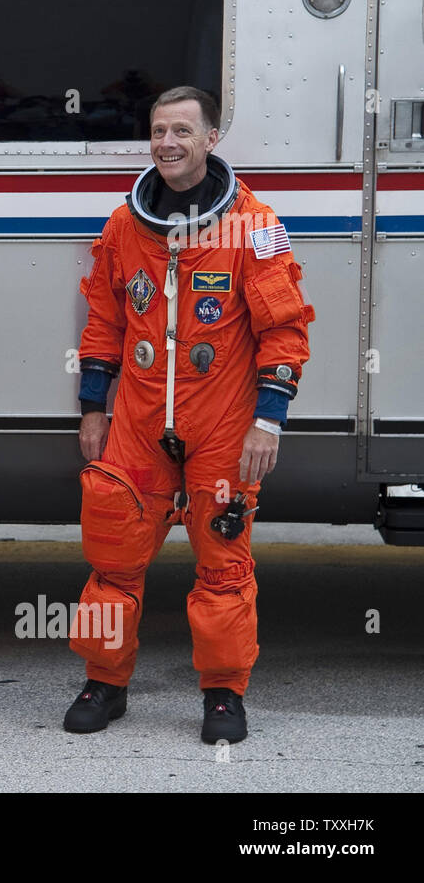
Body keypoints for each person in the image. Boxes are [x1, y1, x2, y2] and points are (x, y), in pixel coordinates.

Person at [67, 86, 313, 743]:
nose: (167, 144)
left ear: (209, 139)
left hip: (223, 427)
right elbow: (103, 320)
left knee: (225, 569)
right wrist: (94, 408)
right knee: (112, 560)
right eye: (157, 131)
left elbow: (285, 331)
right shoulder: (125, 225)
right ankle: (103, 681)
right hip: (140, 426)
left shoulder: (255, 226)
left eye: (181, 131)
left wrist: (269, 419)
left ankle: (224, 695)